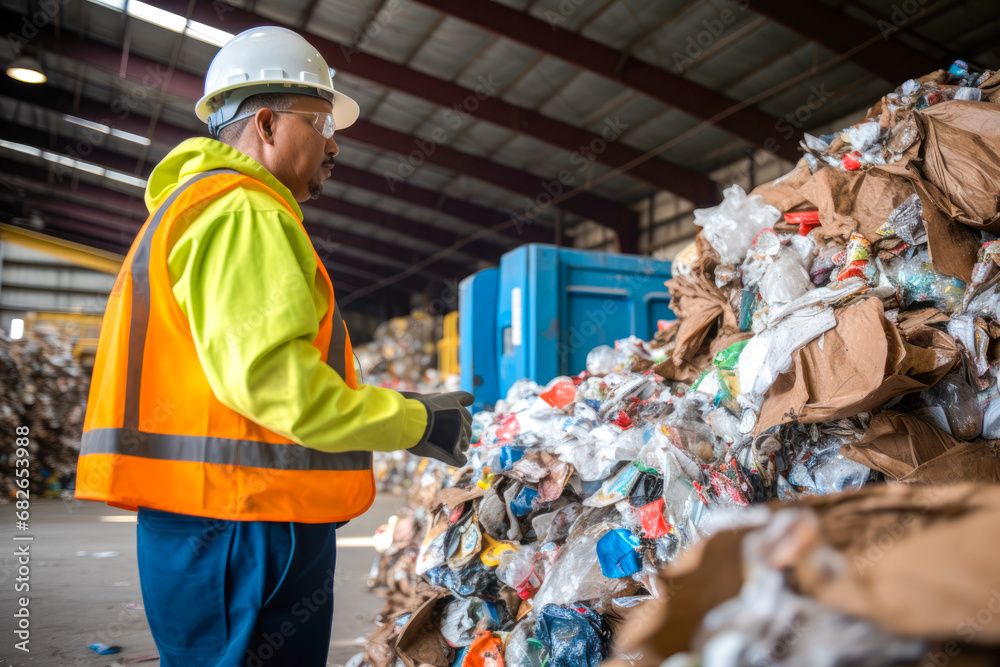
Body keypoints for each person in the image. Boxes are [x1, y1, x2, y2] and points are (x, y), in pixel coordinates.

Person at [75, 26, 472, 666]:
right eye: (320, 123)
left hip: (207, 519)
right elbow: (276, 386)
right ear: (265, 123)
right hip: (247, 524)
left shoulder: (197, 207)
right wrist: (415, 419)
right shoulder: (245, 215)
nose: (333, 145)